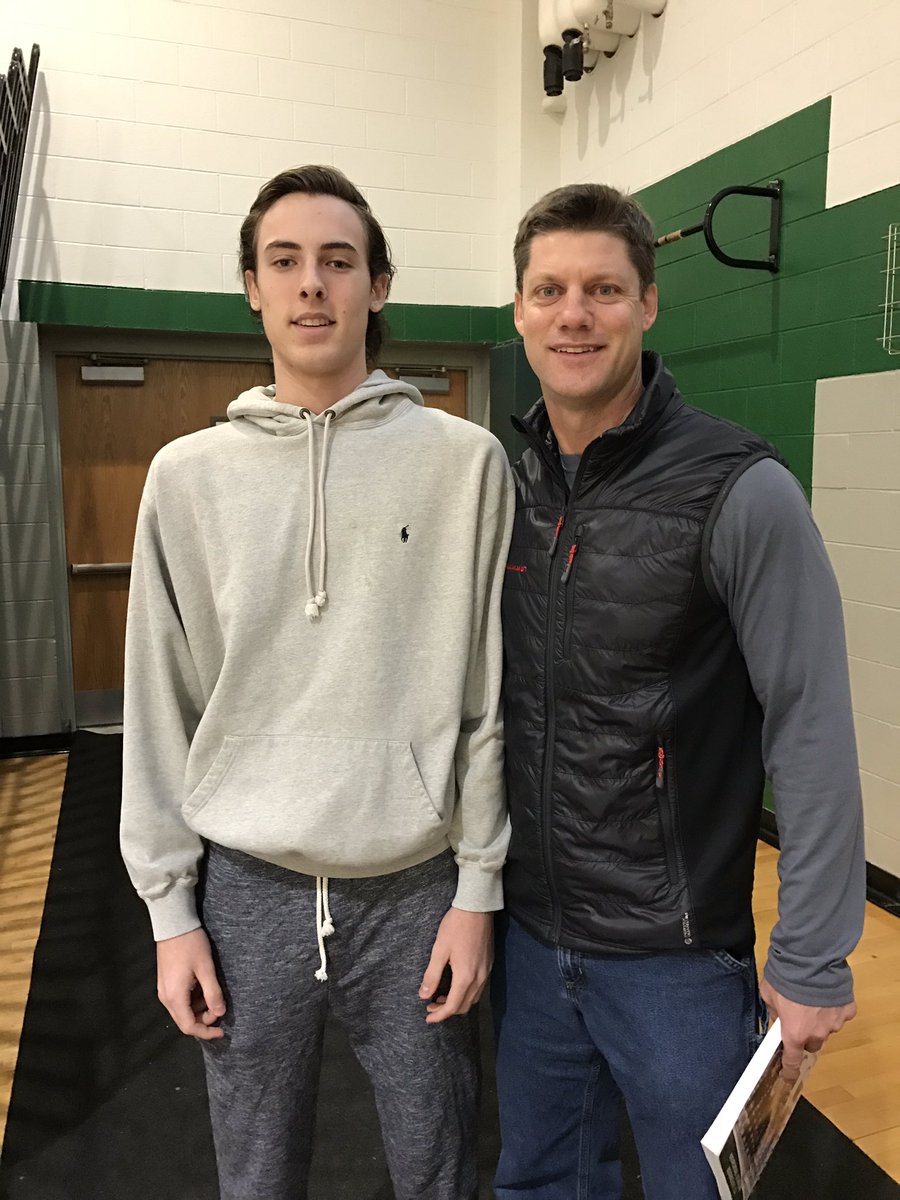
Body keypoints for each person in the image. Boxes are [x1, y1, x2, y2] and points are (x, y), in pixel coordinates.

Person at [120, 164, 513, 1200]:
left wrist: (478, 888)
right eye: (284, 261)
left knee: (439, 1168)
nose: (311, 284)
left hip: (418, 887)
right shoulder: (185, 478)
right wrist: (170, 914)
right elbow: (158, 704)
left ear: (378, 286)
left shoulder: (465, 464)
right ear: (251, 286)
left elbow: (486, 694)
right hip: (246, 887)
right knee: (255, 1175)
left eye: (338, 261)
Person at [493, 182, 866, 1200]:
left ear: (649, 304)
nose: (575, 315)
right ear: (519, 310)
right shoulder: (511, 489)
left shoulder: (740, 489)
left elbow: (812, 725)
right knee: (537, 1184)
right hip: (530, 939)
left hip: (677, 962)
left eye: (604, 289)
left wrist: (814, 955)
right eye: (550, 290)